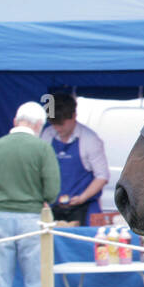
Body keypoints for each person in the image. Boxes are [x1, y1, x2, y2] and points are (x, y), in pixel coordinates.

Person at [0, 102, 61, 287]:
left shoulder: (0, 146)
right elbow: (51, 191)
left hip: (1, 219)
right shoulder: (42, 148)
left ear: (15, 120)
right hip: (32, 221)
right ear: (38, 126)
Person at [41, 93, 109, 225]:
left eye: (61, 124)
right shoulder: (47, 135)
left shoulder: (90, 140)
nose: (57, 128)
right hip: (53, 207)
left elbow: (102, 176)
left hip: (83, 207)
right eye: (54, 124)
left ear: (73, 116)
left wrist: (82, 198)